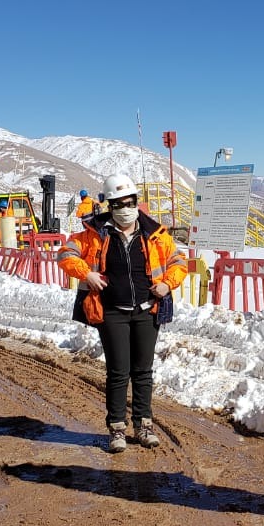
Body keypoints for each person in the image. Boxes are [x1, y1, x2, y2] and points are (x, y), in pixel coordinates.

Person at [57, 174, 187, 453]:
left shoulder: (155, 235)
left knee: (143, 372)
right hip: (112, 311)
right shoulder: (94, 234)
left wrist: (167, 283)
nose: (125, 208)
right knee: (118, 372)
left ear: (137, 203)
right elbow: (65, 254)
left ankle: (144, 425)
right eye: (118, 204)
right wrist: (87, 274)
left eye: (130, 203)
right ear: (109, 206)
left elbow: (179, 262)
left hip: (146, 310)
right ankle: (117, 427)